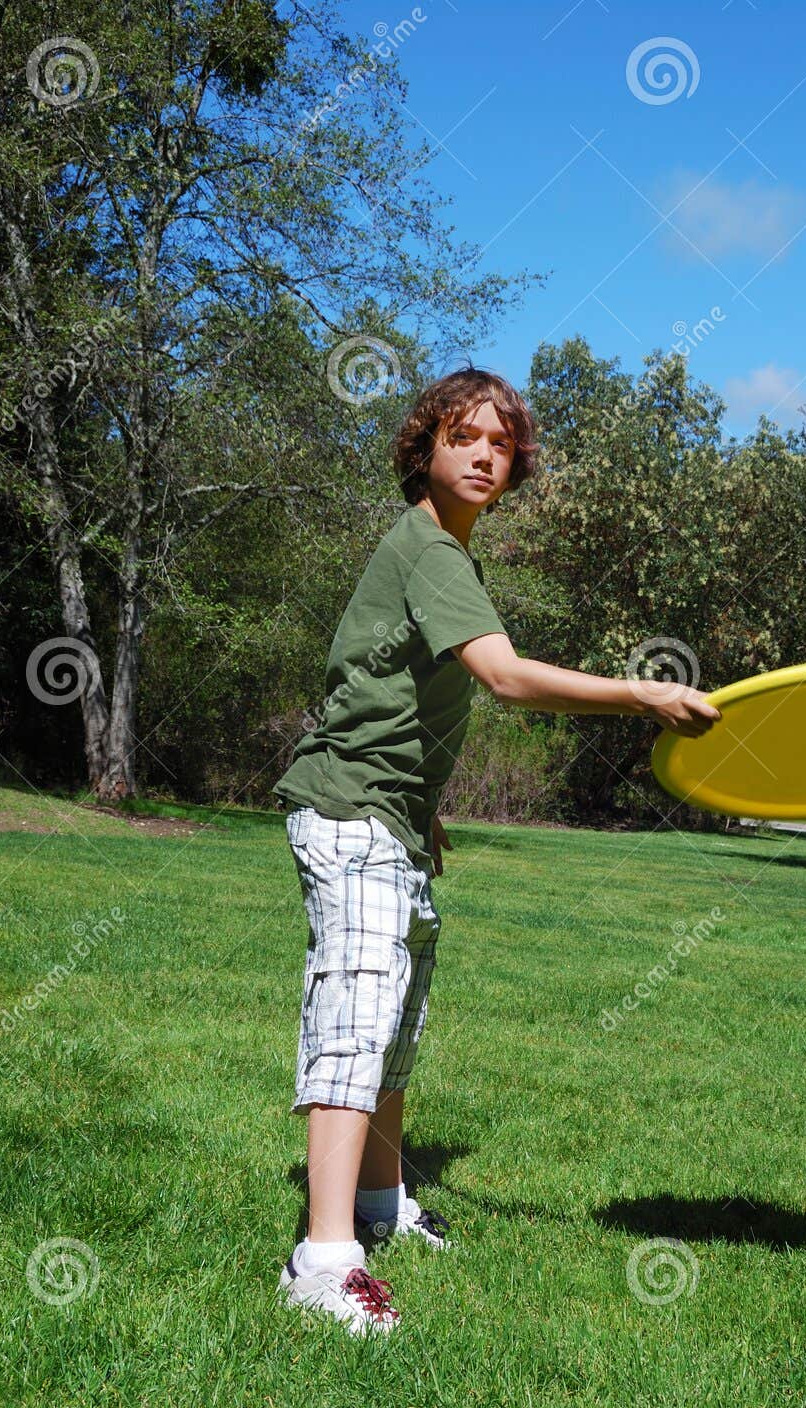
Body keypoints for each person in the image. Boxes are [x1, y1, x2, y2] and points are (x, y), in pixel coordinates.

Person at [272, 364, 721, 1335]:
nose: (483, 454)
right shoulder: (430, 548)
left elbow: (382, 689)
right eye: (462, 437)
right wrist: (642, 692)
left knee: (394, 1023)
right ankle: (323, 1257)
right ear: (422, 452)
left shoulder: (443, 557)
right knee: (356, 1011)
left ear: (515, 465)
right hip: (351, 814)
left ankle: (383, 1204)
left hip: (387, 817)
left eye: (500, 443)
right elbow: (506, 678)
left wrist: (419, 803)